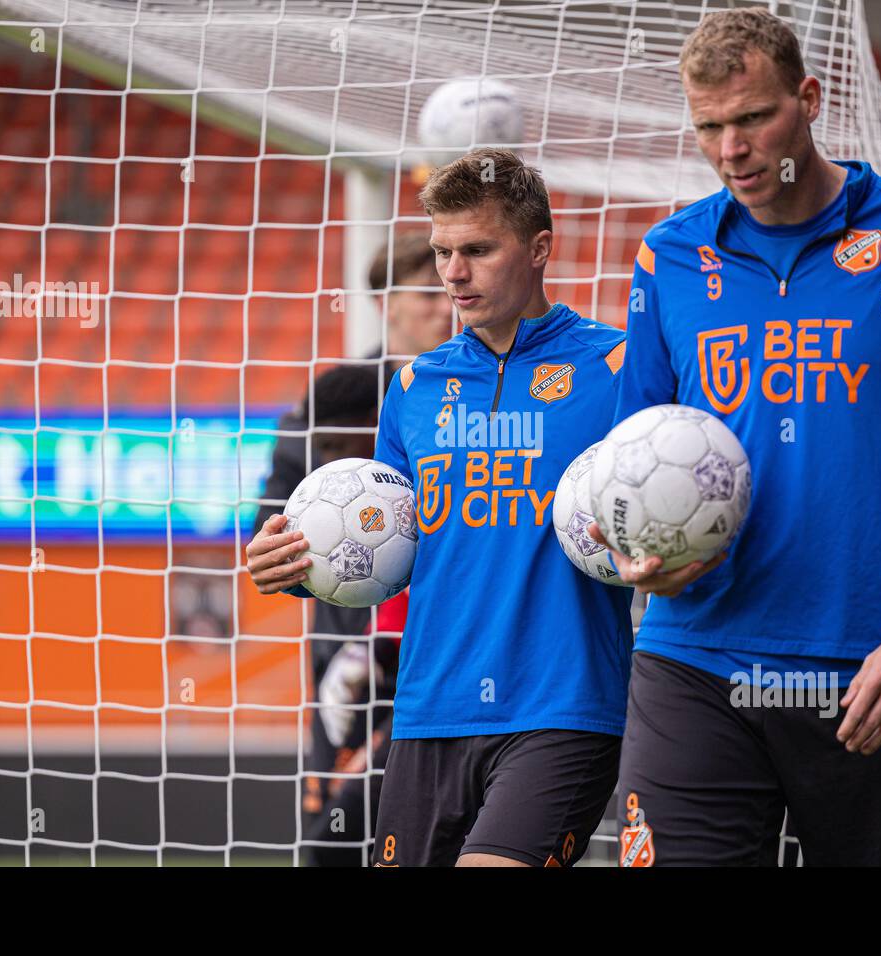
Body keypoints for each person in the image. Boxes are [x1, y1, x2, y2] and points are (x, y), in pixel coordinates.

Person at [591, 7, 881, 866]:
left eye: (751, 118)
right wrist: (632, 549)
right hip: (694, 654)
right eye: (709, 127)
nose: (730, 148)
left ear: (810, 99)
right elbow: (631, 448)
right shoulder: (668, 255)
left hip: (870, 667)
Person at [248, 147, 634, 867]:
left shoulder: (617, 367)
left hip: (561, 708)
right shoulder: (415, 386)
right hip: (428, 713)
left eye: (478, 250)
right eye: (442, 251)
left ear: (540, 247)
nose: (454, 273)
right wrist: (296, 564)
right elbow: (382, 543)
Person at [246, 235, 451, 865]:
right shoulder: (332, 405)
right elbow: (268, 525)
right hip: (349, 672)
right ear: (385, 304)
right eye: (424, 296)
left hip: (451, 661)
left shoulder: (489, 401)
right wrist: (270, 555)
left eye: (448, 293)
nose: (444, 309)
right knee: (336, 844)